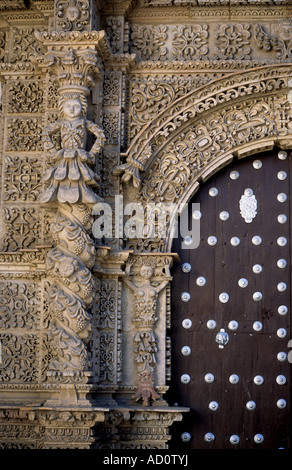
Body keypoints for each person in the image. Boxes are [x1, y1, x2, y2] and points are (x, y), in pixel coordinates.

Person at [41, 93, 105, 205]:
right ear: (62, 108)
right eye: (68, 106)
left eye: (76, 106)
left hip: (79, 157)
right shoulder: (61, 123)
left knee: (81, 179)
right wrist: (54, 152)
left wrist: (91, 153)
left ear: (83, 108)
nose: (72, 109)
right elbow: (46, 132)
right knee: (61, 178)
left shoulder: (84, 122)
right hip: (64, 158)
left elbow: (100, 135)